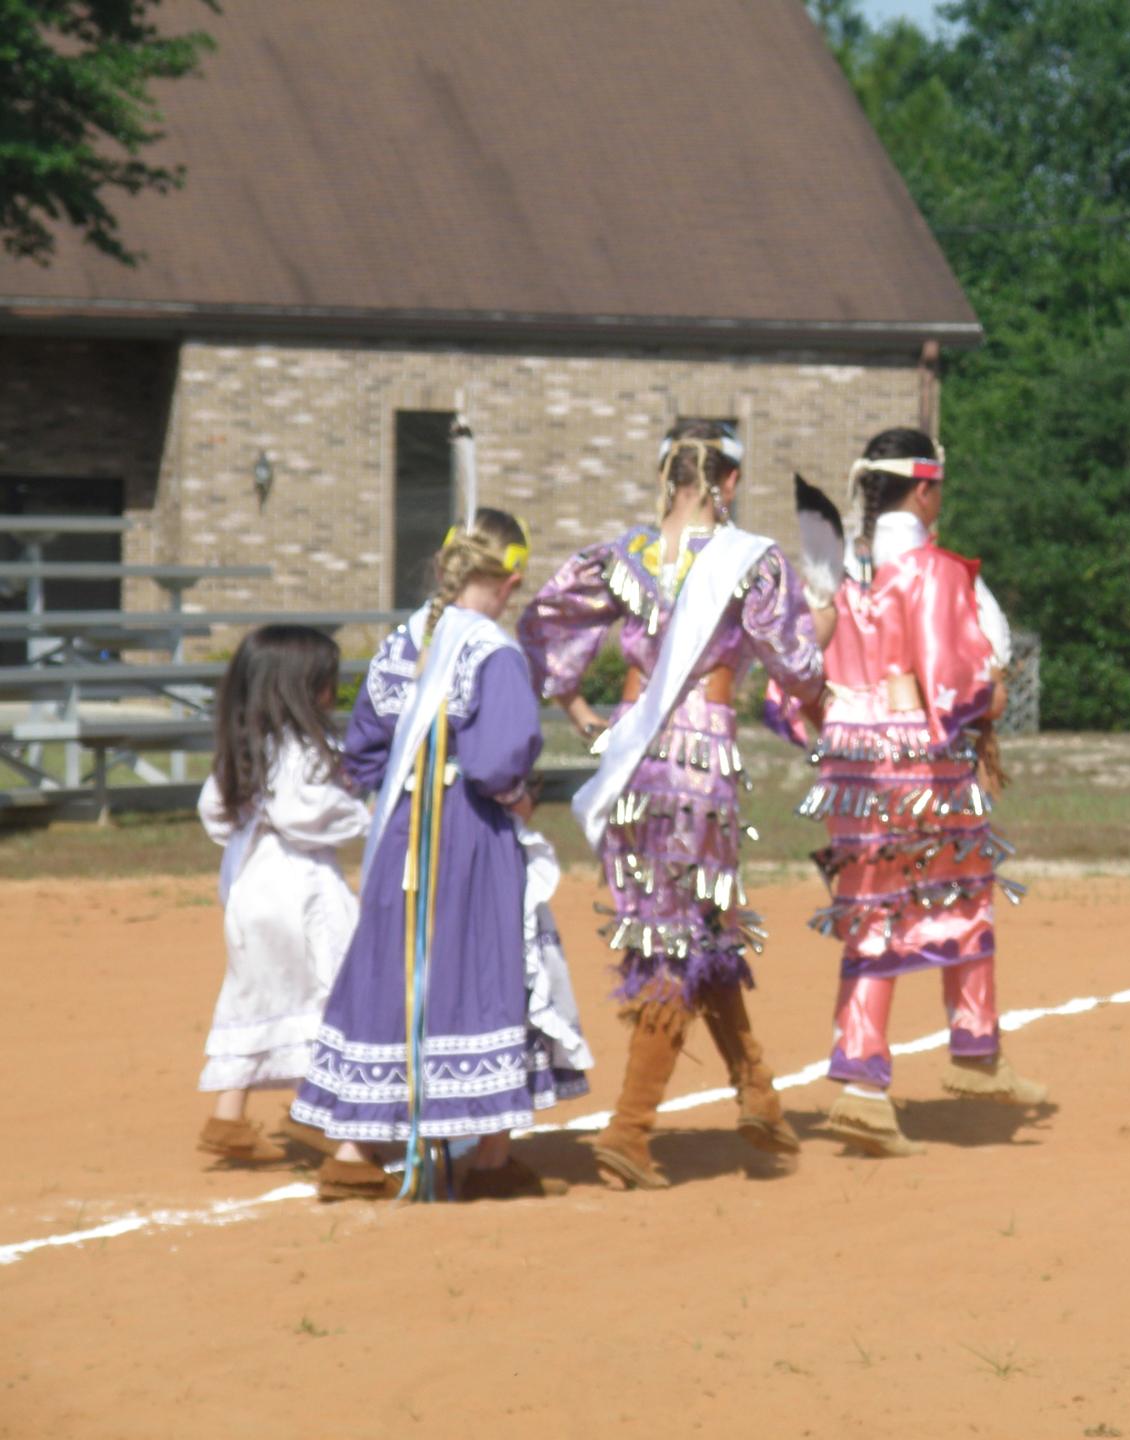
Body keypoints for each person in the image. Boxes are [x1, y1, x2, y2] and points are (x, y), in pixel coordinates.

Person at [519, 420, 827, 1191]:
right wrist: (826, 622)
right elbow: (796, 662)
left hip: (632, 754)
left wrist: (576, 710)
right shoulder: (751, 563)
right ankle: (629, 1127)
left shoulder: (621, 558)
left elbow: (545, 623)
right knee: (673, 939)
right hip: (698, 762)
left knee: (696, 925)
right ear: (726, 483)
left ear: (667, 476)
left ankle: (757, 1091)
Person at [292, 509, 589, 1200]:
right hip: (470, 831)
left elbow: (363, 749)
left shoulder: (402, 642)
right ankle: (487, 1155)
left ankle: (352, 1148)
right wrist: (519, 795)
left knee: (395, 964)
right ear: (511, 579)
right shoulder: (494, 652)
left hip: (400, 828)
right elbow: (496, 760)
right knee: (485, 964)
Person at [792, 426, 1043, 1158]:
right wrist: (986, 700)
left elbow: (800, 672)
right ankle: (949, 1059)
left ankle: (914, 1071)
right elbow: (951, 678)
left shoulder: (840, 569)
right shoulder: (931, 572)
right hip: (921, 766)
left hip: (853, 766)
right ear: (925, 488)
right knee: (959, 892)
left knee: (877, 913)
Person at [195, 626, 370, 1163]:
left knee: (255, 994)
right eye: (326, 683)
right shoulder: (306, 750)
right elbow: (305, 812)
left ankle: (229, 1117)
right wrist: (366, 815)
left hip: (249, 889)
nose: (332, 693)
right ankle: (314, 1112)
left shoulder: (244, 748)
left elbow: (214, 812)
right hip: (303, 889)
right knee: (331, 990)